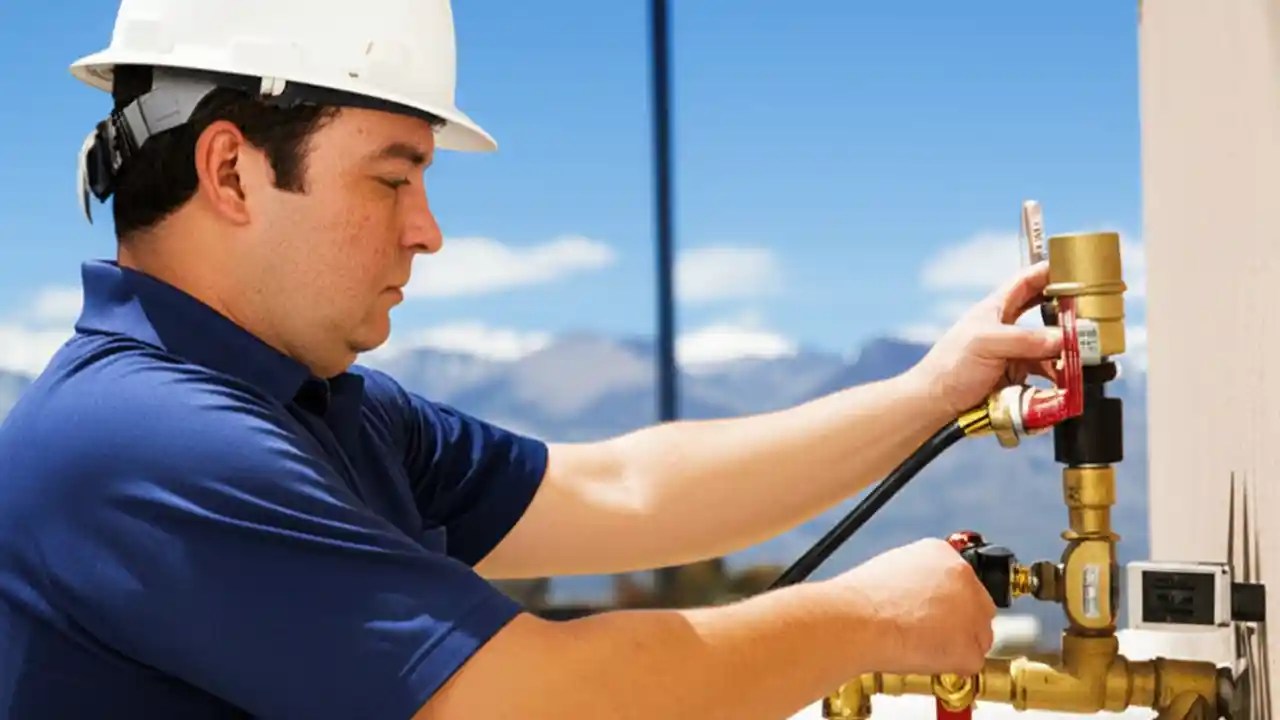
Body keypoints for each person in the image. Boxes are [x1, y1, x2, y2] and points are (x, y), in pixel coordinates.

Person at [0, 2, 1064, 718]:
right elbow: (540, 701)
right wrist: (871, 618)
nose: (427, 231)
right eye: (391, 178)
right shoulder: (142, 445)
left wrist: (936, 391)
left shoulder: (320, 413)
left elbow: (625, 491)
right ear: (231, 171)